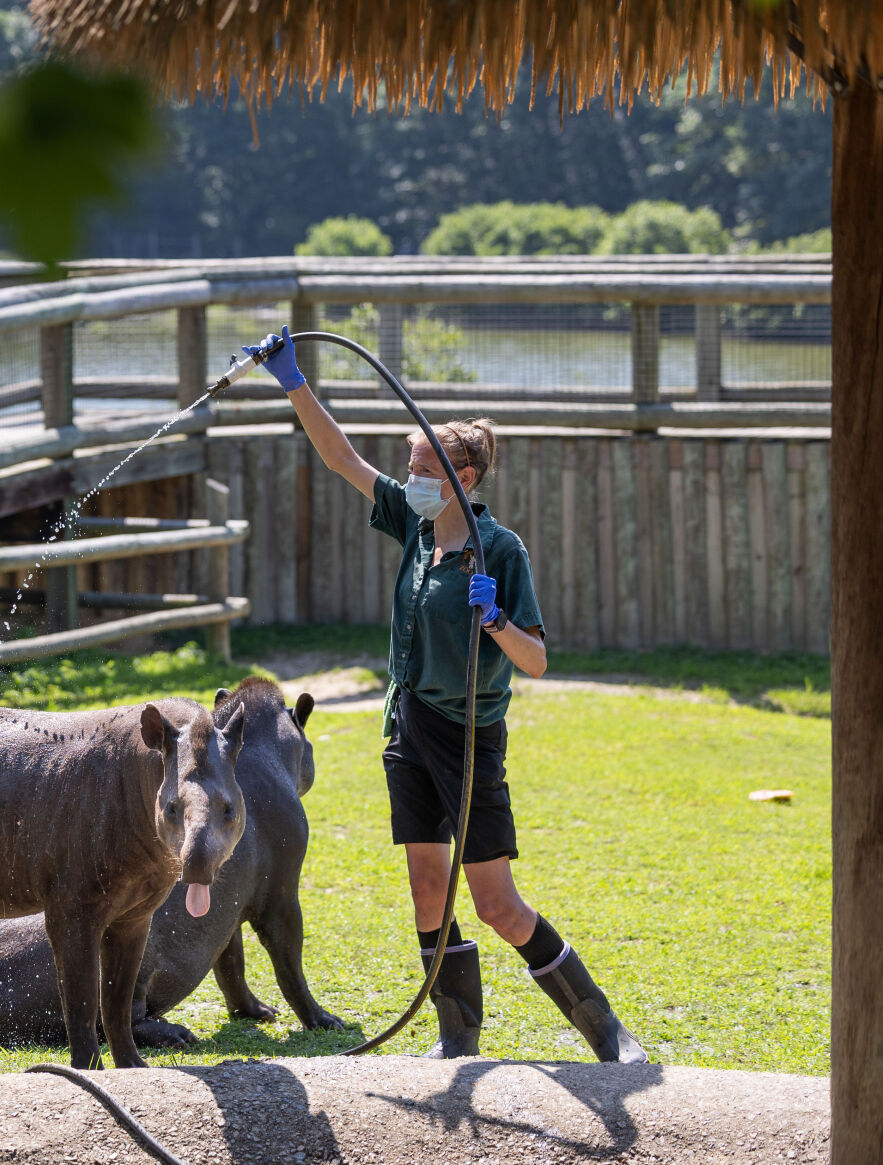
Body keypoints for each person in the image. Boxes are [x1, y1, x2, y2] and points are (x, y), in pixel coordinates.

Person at [252, 324, 646, 1064]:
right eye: (409, 465)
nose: (411, 477)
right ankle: (456, 1036)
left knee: (495, 902)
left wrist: (494, 617)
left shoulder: (501, 550)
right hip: (406, 726)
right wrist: (293, 383)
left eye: (425, 466)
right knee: (427, 894)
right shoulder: (412, 522)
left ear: (466, 478)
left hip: (468, 735)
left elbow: (534, 661)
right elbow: (341, 457)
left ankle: (606, 1031)